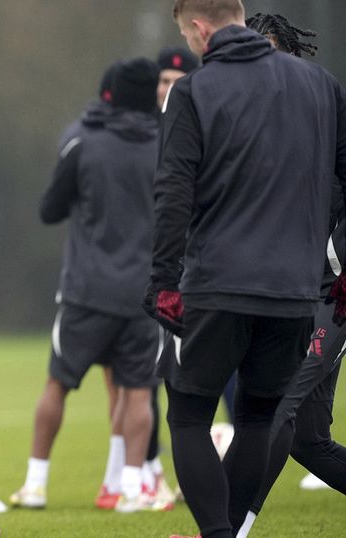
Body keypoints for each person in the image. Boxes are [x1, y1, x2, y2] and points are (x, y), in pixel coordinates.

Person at [145, 1, 346, 536]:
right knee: (265, 420)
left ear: (198, 28)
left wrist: (162, 281)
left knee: (189, 416)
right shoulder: (322, 86)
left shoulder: (194, 89)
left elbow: (172, 193)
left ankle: (218, 533)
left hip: (219, 285)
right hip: (296, 292)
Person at [9, 59, 167, 513]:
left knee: (58, 384)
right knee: (139, 392)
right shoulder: (169, 145)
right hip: (144, 294)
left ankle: (36, 484)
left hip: (87, 290)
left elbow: (49, 209)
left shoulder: (84, 141)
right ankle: (132, 489)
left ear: (110, 93)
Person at [238, 12, 344, 537]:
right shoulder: (246, 127)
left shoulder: (326, 113)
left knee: (275, 407)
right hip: (283, 296)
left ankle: (228, 529)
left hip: (332, 295)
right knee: (308, 441)